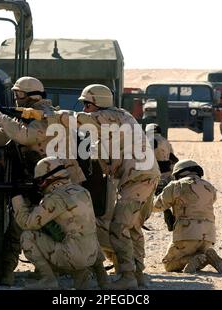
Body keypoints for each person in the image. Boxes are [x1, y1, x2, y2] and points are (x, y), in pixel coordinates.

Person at [0, 76, 85, 285]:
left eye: (18, 94)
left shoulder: (47, 115)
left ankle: (75, 274)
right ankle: (9, 274)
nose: (15, 98)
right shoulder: (26, 115)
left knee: (65, 231)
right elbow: (3, 139)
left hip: (61, 184)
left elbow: (25, 137)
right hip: (39, 181)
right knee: (18, 226)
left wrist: (1, 117)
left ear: (30, 95)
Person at [40, 84, 161, 289]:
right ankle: (137, 274)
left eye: (87, 104)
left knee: (119, 226)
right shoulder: (106, 126)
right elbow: (100, 155)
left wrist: (46, 114)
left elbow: (77, 119)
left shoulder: (111, 117)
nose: (85, 109)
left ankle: (128, 277)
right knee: (131, 227)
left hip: (139, 178)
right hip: (139, 178)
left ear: (99, 103)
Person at [11, 156, 106, 289]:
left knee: (28, 236)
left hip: (72, 258)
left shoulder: (55, 198)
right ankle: (100, 279)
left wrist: (16, 197)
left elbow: (27, 223)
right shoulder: (83, 191)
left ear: (47, 179)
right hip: (91, 256)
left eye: (40, 181)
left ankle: (48, 279)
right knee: (83, 230)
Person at [153, 159, 222, 274]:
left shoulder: (176, 185)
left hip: (186, 235)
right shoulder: (210, 187)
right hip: (208, 236)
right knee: (200, 254)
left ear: (178, 174)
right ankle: (208, 256)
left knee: (168, 264)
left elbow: (157, 206)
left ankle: (191, 259)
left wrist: (156, 194)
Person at [145, 123, 179, 194]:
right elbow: (173, 159)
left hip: (154, 175)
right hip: (167, 173)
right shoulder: (165, 141)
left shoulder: (150, 140)